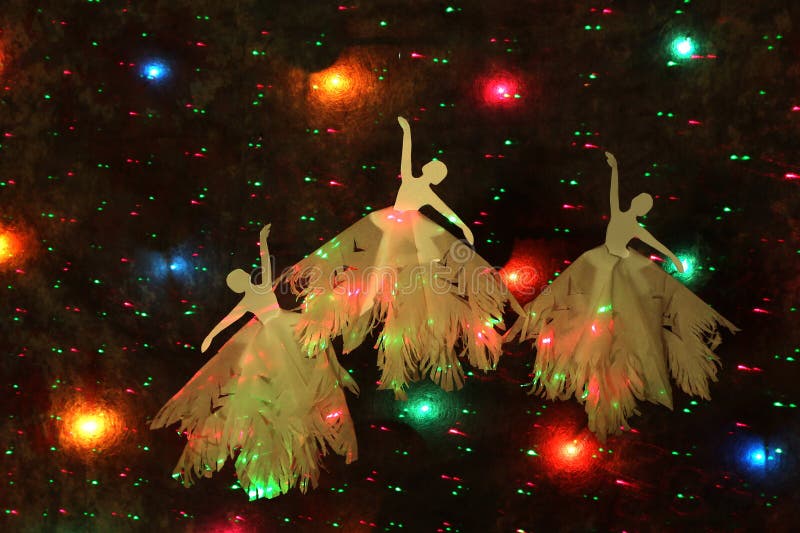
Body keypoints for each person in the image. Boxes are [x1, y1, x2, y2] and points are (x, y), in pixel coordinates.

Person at [283, 117, 521, 400]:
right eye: (433, 170)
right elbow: (406, 161)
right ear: (428, 170)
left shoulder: (426, 192)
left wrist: (464, 228)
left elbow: (447, 213)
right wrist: (407, 132)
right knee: (378, 268)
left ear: (436, 178)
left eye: (437, 175)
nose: (432, 175)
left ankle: (389, 322)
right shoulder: (412, 179)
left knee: (411, 279)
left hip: (409, 233)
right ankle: (362, 308)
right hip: (391, 226)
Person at [509, 153, 737, 442]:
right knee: (591, 311)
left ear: (641, 210)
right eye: (639, 201)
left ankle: (607, 384)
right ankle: (594, 371)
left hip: (616, 265)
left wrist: (674, 260)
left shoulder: (633, 225)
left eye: (642, 204)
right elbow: (613, 193)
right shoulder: (620, 214)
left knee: (617, 317)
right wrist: (615, 168)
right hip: (603, 263)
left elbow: (653, 242)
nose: (637, 205)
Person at [151, 224, 359, 500]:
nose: (243, 281)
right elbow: (229, 320)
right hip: (275, 333)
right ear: (238, 285)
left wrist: (262, 241)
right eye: (238, 281)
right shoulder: (248, 301)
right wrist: (210, 338)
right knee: (284, 376)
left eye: (241, 278)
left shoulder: (263, 285)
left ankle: (310, 411)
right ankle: (289, 434)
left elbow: (264, 264)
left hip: (288, 326)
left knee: (304, 367)